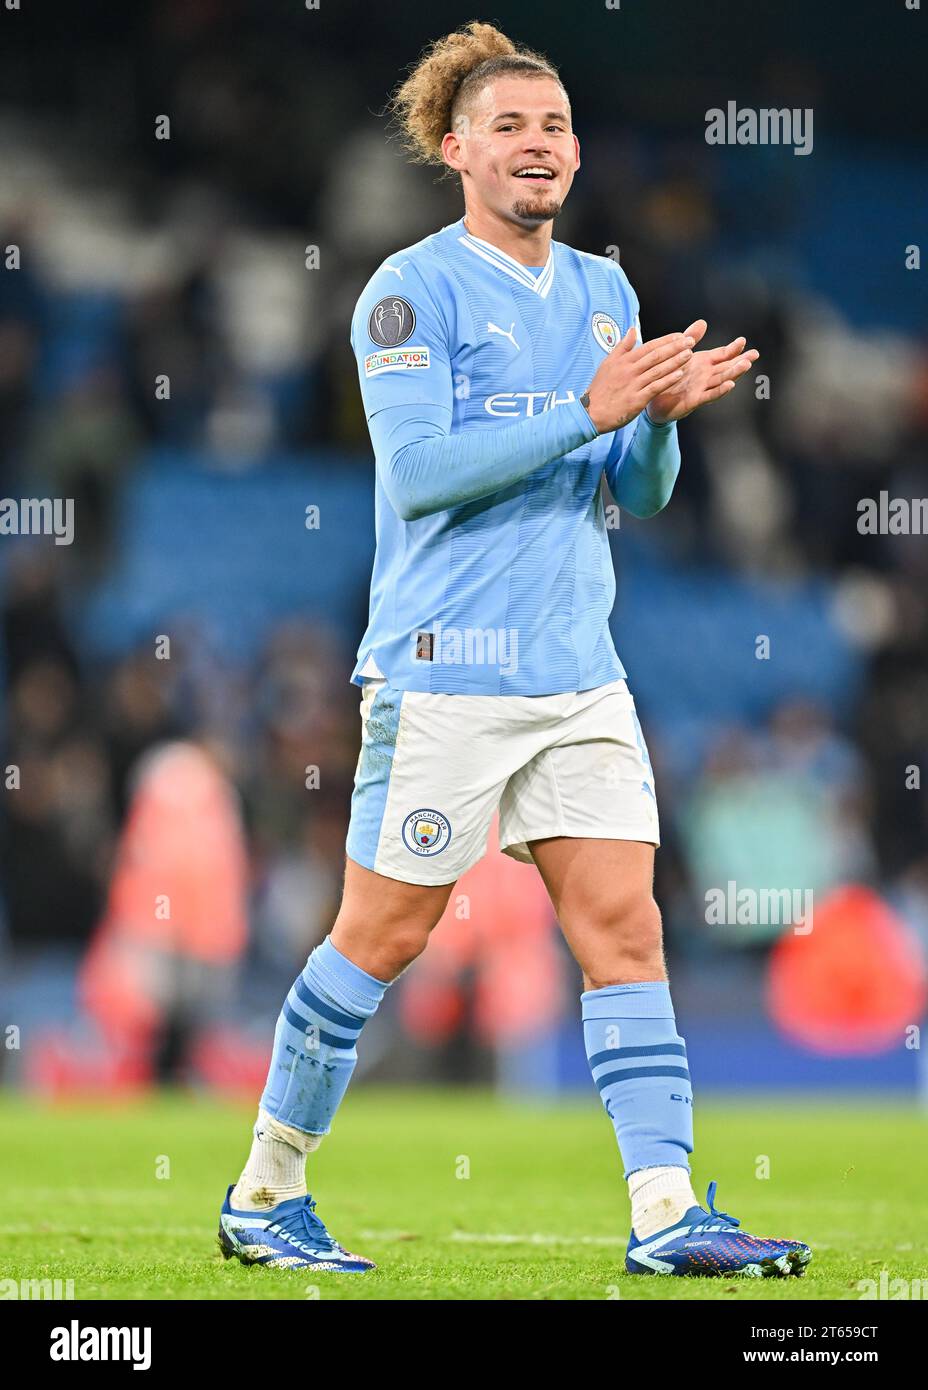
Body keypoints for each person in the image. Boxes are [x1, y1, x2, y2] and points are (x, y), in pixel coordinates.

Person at [219, 21, 811, 1279]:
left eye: (552, 127)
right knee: (379, 939)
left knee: (625, 932)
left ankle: (664, 1212)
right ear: (457, 149)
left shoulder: (607, 291)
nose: (535, 144)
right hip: (444, 672)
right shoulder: (406, 289)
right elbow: (421, 473)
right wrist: (586, 407)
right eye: (508, 127)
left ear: (575, 153)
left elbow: (636, 491)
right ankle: (265, 1189)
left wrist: (651, 421)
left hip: (578, 672)